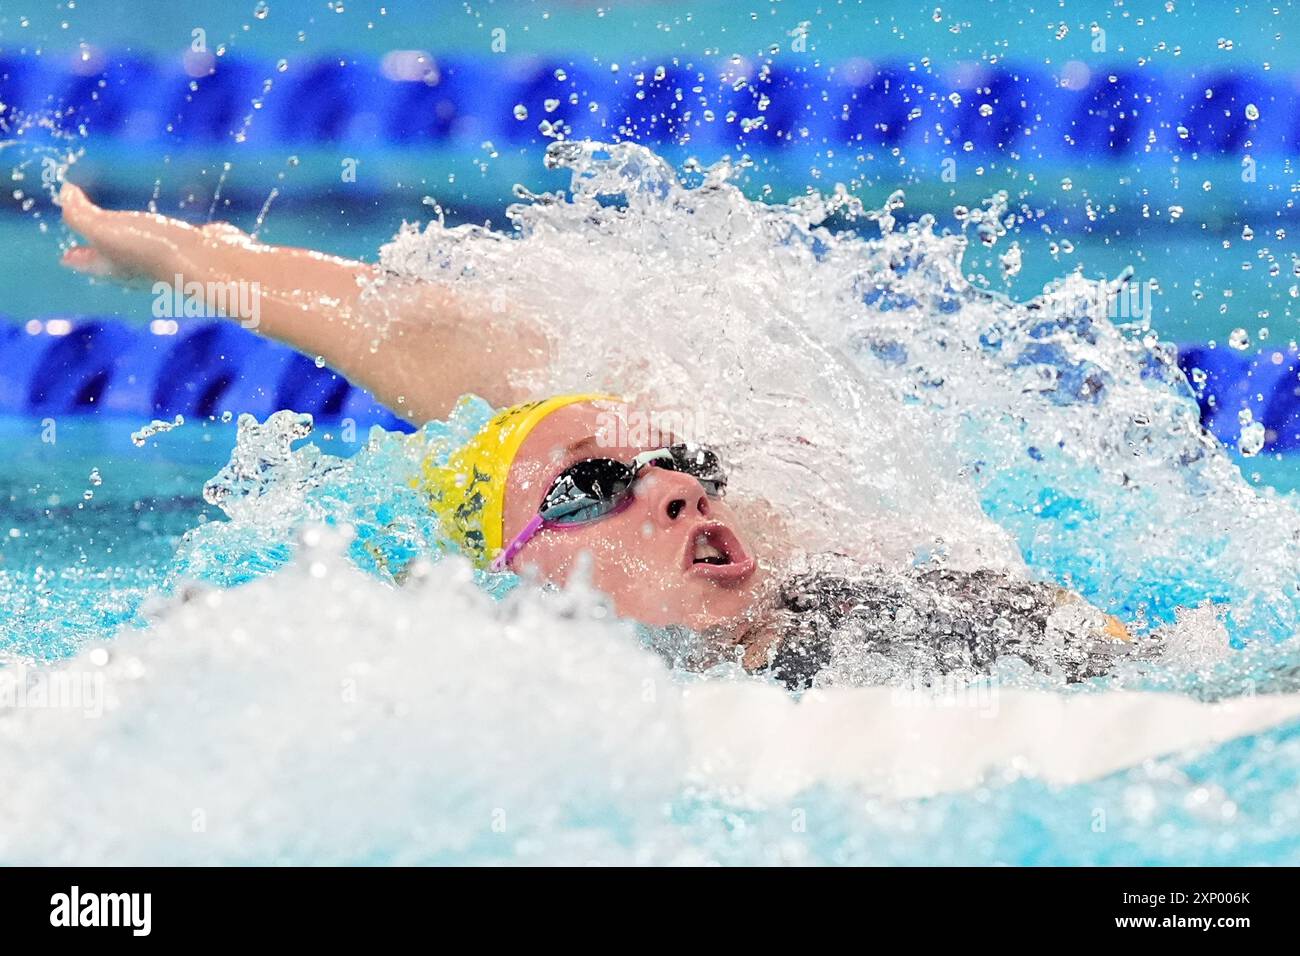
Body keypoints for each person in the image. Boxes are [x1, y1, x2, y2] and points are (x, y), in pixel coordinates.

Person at [58, 182, 1135, 689]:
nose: (676, 491)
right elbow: (428, 338)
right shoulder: (450, 697)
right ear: (512, 571)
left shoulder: (944, 617)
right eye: (591, 485)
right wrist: (174, 252)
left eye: (683, 465)